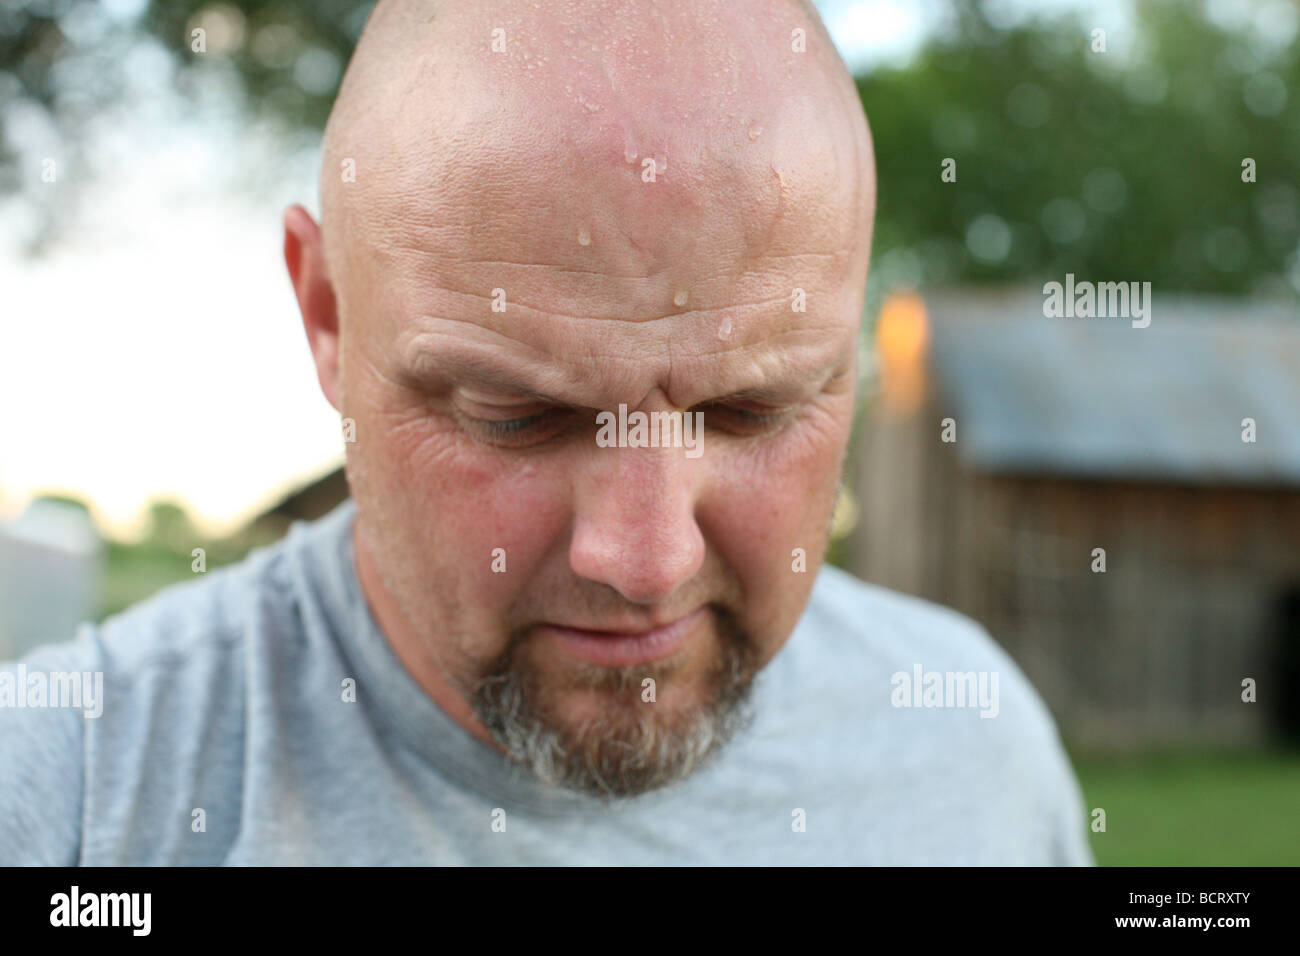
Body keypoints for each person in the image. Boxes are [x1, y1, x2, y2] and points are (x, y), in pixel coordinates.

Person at [0, 0, 1093, 864]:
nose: (646, 560)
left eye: (751, 407)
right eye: (514, 415)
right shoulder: (75, 800)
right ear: (328, 316)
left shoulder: (972, 751)